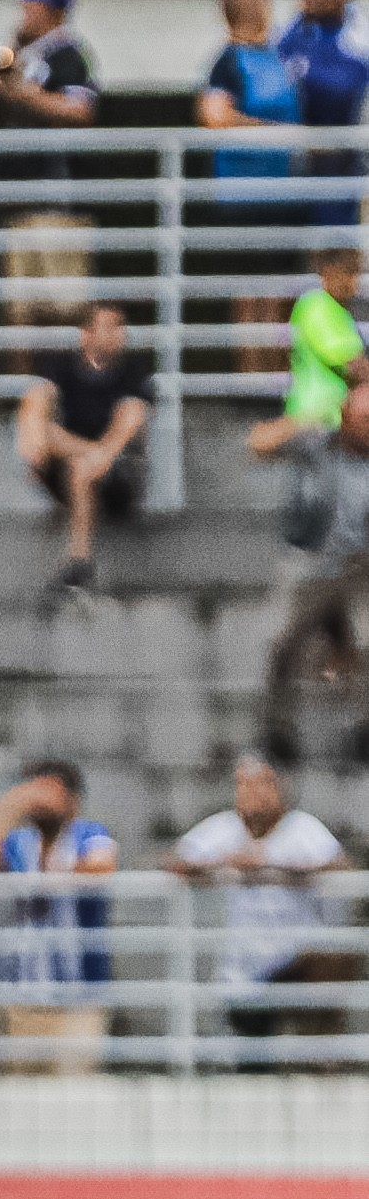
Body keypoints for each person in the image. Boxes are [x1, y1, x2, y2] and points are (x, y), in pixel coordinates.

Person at [165, 754, 351, 1052]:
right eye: (242, 785)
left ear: (277, 789)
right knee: (252, 1056)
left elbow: (341, 869)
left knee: (333, 963)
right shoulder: (225, 828)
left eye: (259, 785)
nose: (250, 794)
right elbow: (175, 863)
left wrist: (276, 867)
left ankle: (322, 1058)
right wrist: (225, 863)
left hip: (294, 960)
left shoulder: (302, 827)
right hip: (245, 966)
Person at [0, 759, 117, 1071]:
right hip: (27, 995)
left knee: (75, 1096)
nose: (38, 800)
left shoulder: (89, 833)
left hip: (80, 998)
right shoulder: (21, 841)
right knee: (25, 1098)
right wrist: (9, 805)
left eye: (48, 792)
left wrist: (51, 876)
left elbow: (101, 866)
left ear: (72, 800)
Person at [254, 382, 369, 766]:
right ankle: (278, 733)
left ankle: (365, 729)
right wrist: (300, 420)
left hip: (361, 568)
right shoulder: (317, 444)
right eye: (364, 415)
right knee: (276, 640)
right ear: (345, 412)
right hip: (310, 562)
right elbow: (257, 444)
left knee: (366, 638)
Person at [199, 0, 307, 375]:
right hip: (244, 195)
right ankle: (252, 380)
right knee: (250, 291)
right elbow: (215, 117)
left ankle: (277, 380)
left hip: (286, 195)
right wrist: (273, 131)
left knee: (282, 292)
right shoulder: (228, 61)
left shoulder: (279, 56)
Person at [0, 0, 100, 328]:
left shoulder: (69, 54)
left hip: (56, 200)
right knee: (21, 308)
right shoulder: (26, 52)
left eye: (33, 4)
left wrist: (28, 96)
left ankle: (60, 381)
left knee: (62, 305)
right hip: (20, 198)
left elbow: (81, 109)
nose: (25, 12)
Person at [15, 300, 153, 589]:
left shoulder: (132, 371)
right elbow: (38, 401)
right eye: (110, 326)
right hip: (73, 467)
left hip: (118, 478)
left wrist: (102, 456)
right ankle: (92, 456)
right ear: (86, 334)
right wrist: (35, 433)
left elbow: (133, 416)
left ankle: (80, 560)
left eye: (121, 327)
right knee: (36, 401)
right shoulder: (62, 366)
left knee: (128, 415)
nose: (119, 334)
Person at [249, 246, 369, 458]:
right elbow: (354, 366)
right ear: (327, 273)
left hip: (333, 422)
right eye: (347, 273)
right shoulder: (318, 306)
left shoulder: (338, 311)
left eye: (355, 273)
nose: (353, 282)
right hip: (318, 420)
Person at [276, 0, 369, 226]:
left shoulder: (359, 30)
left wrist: (306, 72)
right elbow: (278, 69)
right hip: (303, 153)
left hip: (347, 155)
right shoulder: (297, 28)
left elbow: (346, 84)